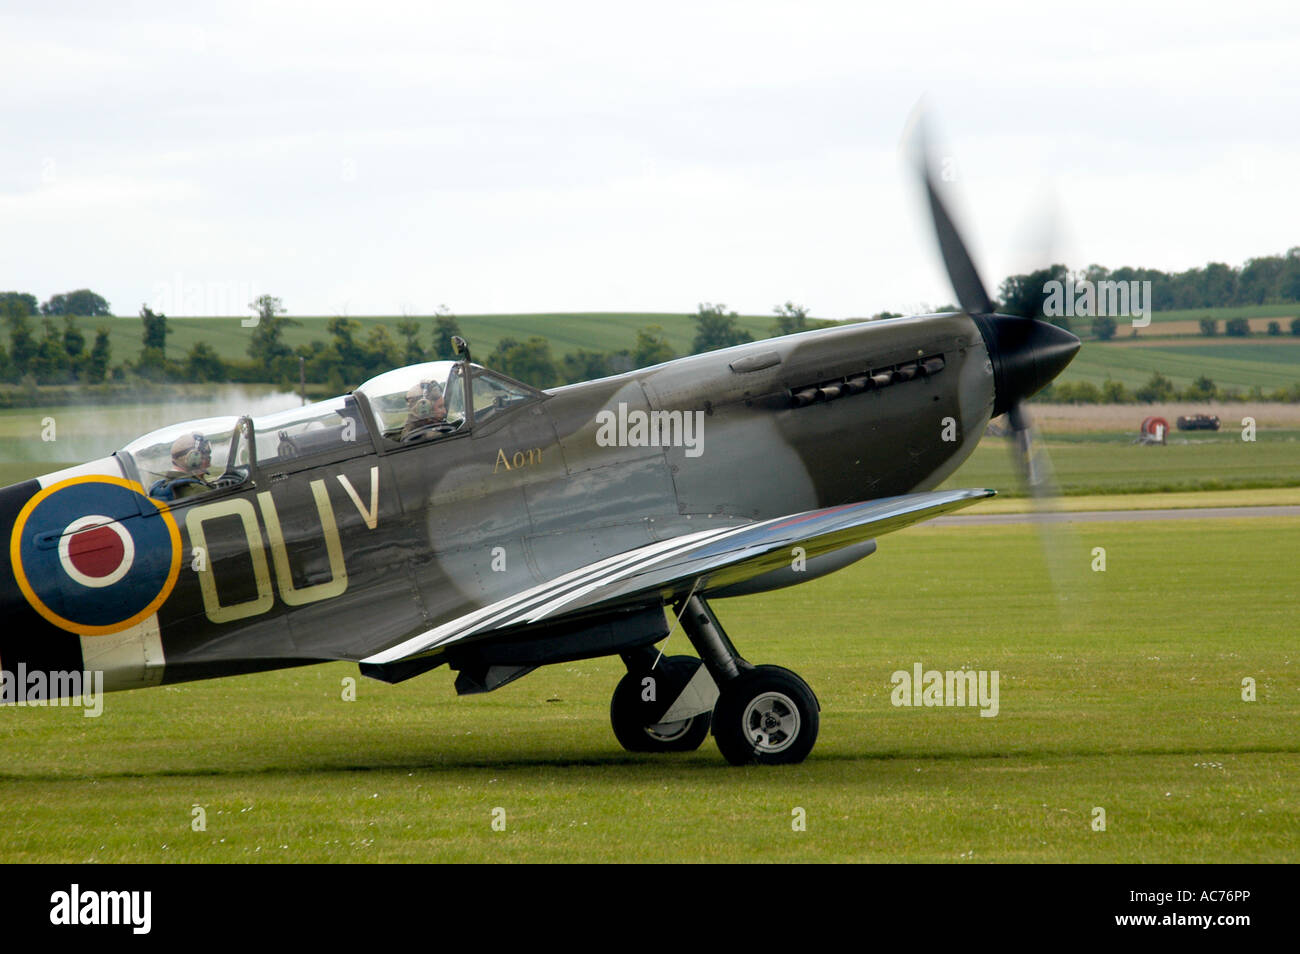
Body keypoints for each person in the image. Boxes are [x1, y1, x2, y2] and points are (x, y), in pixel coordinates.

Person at [148, 433, 216, 501]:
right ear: (193, 460)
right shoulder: (198, 490)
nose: (209, 465)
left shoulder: (165, 485)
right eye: (206, 458)